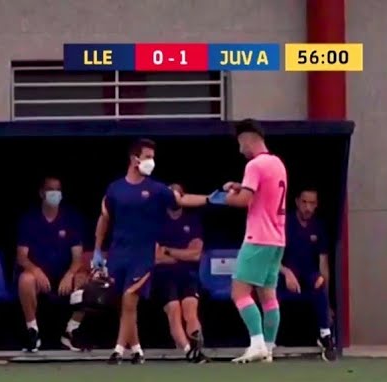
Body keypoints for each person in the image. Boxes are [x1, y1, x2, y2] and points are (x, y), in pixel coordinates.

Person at [177, 119, 289, 364]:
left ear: (249, 139)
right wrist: (240, 187)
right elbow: (260, 193)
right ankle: (268, 348)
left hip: (258, 237)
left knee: (239, 291)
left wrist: (224, 196)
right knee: (268, 295)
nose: (240, 150)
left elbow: (243, 201)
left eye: (241, 143)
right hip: (277, 238)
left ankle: (257, 343)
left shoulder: (255, 165)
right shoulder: (277, 163)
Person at [93, 139, 209, 365]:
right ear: (134, 159)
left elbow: (181, 199)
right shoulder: (115, 189)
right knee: (125, 304)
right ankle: (137, 350)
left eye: (152, 157)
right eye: (147, 156)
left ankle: (118, 350)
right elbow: (104, 218)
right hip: (118, 254)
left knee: (129, 299)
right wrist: (98, 249)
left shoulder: (156, 189)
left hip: (143, 257)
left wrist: (211, 198)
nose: (150, 161)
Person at [15, 176, 88, 351]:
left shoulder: (71, 219)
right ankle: (33, 332)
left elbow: (78, 257)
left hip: (64, 275)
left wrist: (70, 274)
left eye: (58, 190)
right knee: (25, 280)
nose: (55, 193)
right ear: (42, 193)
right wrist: (37, 271)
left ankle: (71, 333)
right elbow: (22, 257)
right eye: (50, 189)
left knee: (87, 281)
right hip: (40, 278)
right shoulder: (29, 220)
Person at [153, 183, 207, 363]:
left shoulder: (192, 221)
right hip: (163, 276)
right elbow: (156, 258)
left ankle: (197, 349)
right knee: (174, 311)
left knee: (190, 311)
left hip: (188, 275)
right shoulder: (156, 221)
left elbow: (196, 254)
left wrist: (168, 250)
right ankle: (187, 351)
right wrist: (182, 254)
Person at [282, 188, 337, 360]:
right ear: (297, 202)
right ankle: (267, 342)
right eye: (304, 202)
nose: (307, 207)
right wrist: (286, 272)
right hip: (282, 273)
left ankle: (325, 335)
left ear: (317, 205)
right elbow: (270, 257)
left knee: (319, 281)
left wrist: (327, 303)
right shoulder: (284, 223)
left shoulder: (318, 227)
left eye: (312, 203)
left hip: (307, 275)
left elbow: (323, 264)